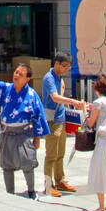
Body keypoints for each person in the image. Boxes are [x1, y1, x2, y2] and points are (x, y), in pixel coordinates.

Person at [0, 62, 49, 199]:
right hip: (6, 133)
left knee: (27, 163)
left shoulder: (32, 95)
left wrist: (37, 138)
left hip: (22, 135)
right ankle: (9, 192)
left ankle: (31, 190)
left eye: (20, 74)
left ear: (27, 79)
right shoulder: (7, 89)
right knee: (6, 164)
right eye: (16, 72)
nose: (16, 75)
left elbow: (38, 117)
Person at [40, 51, 85, 196]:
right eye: (64, 66)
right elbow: (54, 97)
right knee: (51, 154)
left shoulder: (60, 77)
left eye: (68, 67)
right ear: (57, 63)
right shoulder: (49, 78)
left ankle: (60, 180)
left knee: (60, 153)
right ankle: (48, 185)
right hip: (52, 120)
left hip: (60, 119)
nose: (66, 69)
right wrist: (72, 102)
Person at [83, 74, 106, 211]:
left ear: (98, 88)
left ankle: (101, 206)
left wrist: (85, 111)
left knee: (100, 171)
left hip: (103, 140)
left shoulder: (99, 102)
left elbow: (91, 123)